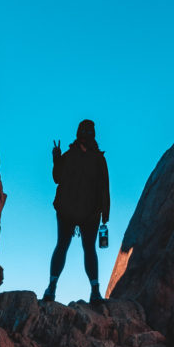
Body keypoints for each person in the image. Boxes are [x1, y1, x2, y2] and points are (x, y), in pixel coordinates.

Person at [46, 119, 110, 306]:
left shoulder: (72, 155)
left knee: (63, 246)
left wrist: (57, 158)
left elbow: (57, 178)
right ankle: (95, 291)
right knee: (88, 249)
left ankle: (52, 287)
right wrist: (104, 214)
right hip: (88, 213)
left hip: (69, 210)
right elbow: (104, 187)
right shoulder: (98, 158)